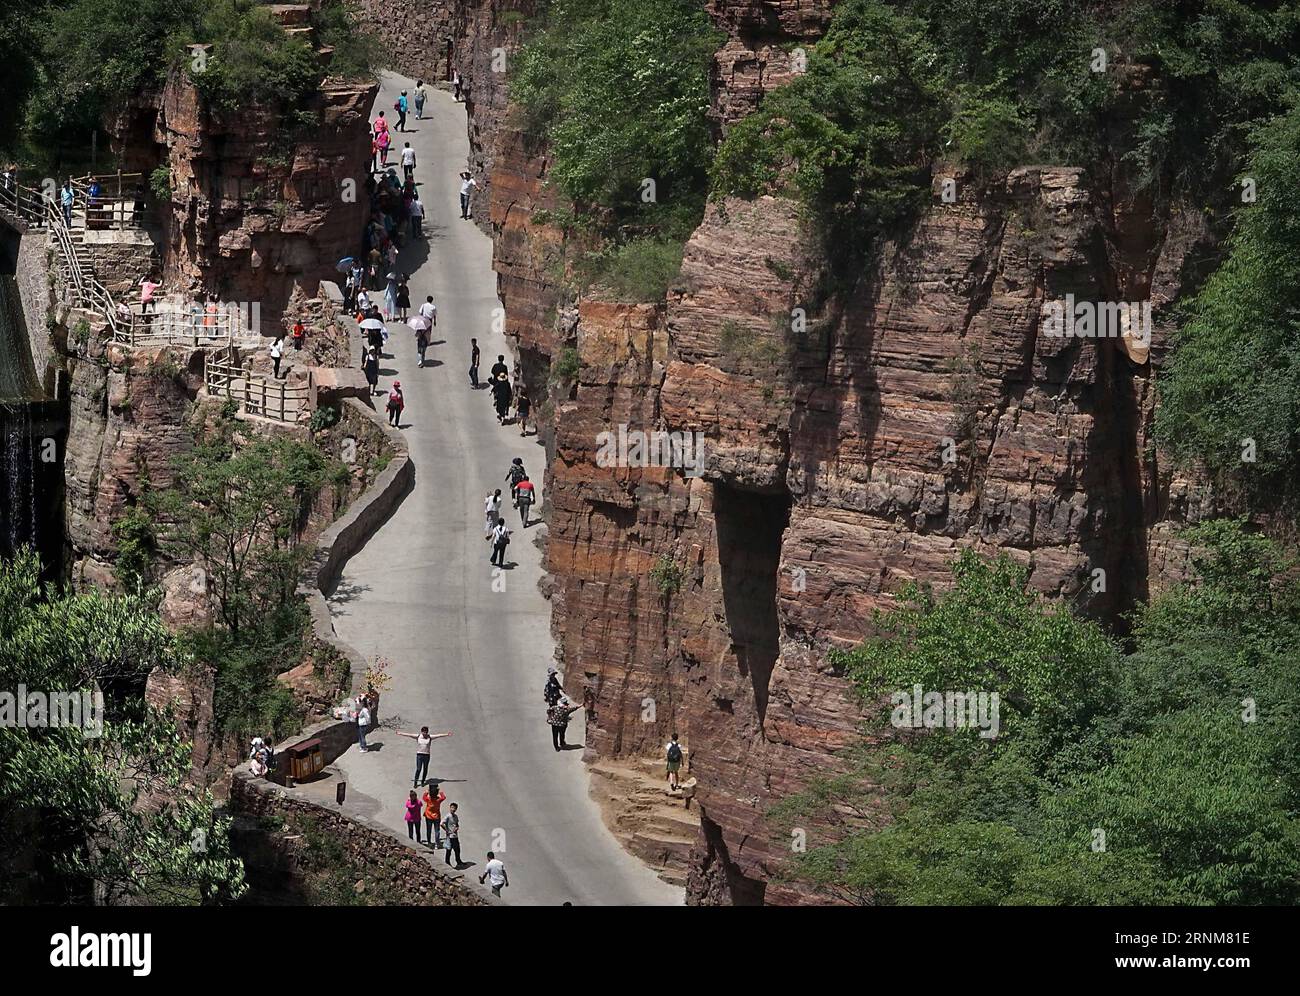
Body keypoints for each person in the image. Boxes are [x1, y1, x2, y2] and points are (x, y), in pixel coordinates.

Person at [442, 803, 462, 867]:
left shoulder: (456, 816)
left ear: (456, 809)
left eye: (454, 808)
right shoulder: (448, 816)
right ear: (450, 808)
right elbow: (442, 823)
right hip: (450, 837)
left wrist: (457, 827)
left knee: (457, 849)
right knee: (449, 850)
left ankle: (458, 861)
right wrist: (447, 830)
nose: (453, 809)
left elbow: (457, 824)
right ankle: (447, 862)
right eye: (452, 807)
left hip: (455, 835)